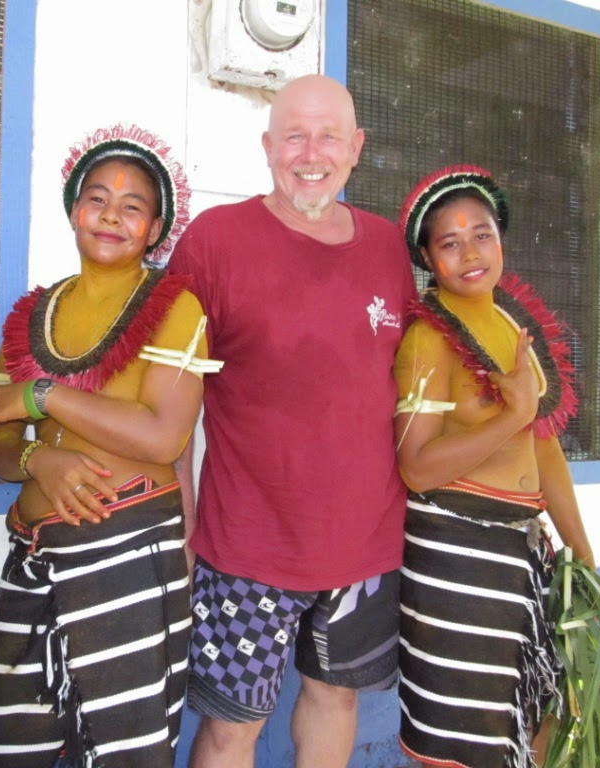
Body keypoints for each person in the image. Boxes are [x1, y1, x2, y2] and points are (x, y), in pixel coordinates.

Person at [166, 74, 417, 767]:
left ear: (357, 147)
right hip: (246, 545)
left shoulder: (390, 248)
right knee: (229, 730)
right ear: (267, 145)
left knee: (335, 700)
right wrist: (185, 523)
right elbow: (171, 407)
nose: (312, 153)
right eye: (295, 136)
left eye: (329, 134)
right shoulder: (215, 240)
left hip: (367, 547)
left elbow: (423, 382)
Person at [0, 125, 216, 768]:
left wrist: (42, 397)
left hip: (129, 557)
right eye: (97, 198)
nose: (112, 215)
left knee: (123, 753)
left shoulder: (177, 307)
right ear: (73, 210)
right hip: (32, 558)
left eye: (132, 205)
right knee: (10, 747)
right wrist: (35, 459)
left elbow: (164, 435)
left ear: (156, 226)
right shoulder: (34, 312)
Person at [393, 164, 594, 768]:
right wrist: (508, 416)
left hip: (520, 555)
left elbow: (545, 448)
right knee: (463, 740)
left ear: (502, 238)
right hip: (456, 558)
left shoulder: (511, 325)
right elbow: (417, 469)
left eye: (481, 234)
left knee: (534, 720)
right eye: (449, 243)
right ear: (428, 258)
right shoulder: (427, 339)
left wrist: (584, 557)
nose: (470, 253)